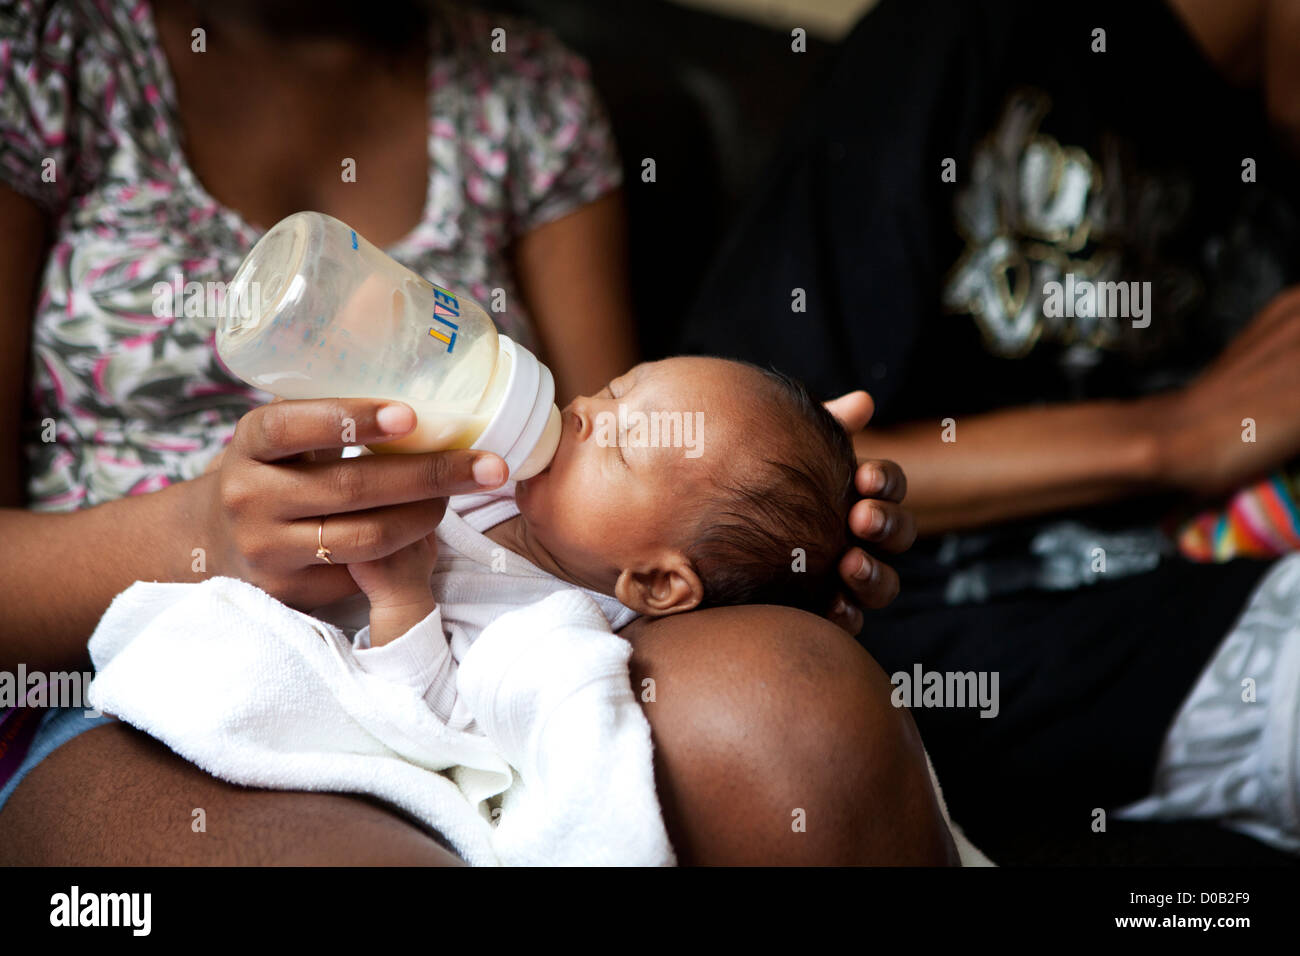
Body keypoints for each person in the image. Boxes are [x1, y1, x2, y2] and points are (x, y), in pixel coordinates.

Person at [0, 0, 936, 865]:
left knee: (806, 708)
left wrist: (783, 505)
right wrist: (203, 536)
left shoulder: (528, 95)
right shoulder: (50, 52)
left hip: (442, 672)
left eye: (614, 425)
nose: (587, 411)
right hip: (124, 655)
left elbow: (622, 523)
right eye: (609, 393)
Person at [681, 0, 1300, 858]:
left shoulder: (1269, 136)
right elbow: (738, 473)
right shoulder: (961, 40)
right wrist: (1174, 438)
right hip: (960, 631)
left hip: (1207, 593)